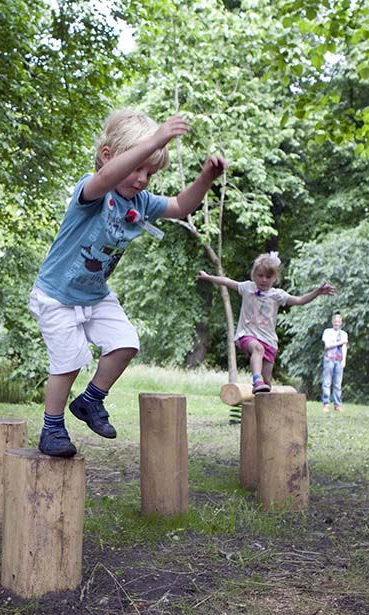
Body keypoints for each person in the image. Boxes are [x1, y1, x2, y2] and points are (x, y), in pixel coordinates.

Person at [31, 110, 228, 457]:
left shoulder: (140, 202)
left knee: (125, 343)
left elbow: (182, 205)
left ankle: (91, 401)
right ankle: (52, 428)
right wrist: (156, 139)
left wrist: (206, 177)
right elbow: (108, 176)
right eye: (137, 168)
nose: (142, 179)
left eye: (150, 173)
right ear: (108, 156)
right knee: (70, 360)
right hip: (57, 295)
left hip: (94, 295)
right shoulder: (93, 191)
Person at [197, 253, 335, 395]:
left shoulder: (277, 295)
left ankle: (261, 404)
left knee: (267, 383)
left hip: (269, 340)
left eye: (268, 277)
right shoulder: (247, 288)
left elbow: (299, 300)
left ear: (275, 278)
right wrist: (208, 277)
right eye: (260, 275)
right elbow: (226, 281)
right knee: (257, 349)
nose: (263, 280)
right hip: (247, 335)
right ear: (254, 275)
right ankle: (256, 379)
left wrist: (317, 292)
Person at [320, 313, 348, 412]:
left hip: (339, 360)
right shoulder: (327, 332)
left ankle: (337, 405)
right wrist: (341, 342)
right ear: (332, 322)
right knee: (327, 382)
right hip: (329, 359)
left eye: (339, 321)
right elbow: (327, 346)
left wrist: (344, 360)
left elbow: (344, 347)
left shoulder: (344, 334)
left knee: (338, 384)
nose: (337, 323)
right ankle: (326, 404)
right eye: (335, 321)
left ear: (341, 323)